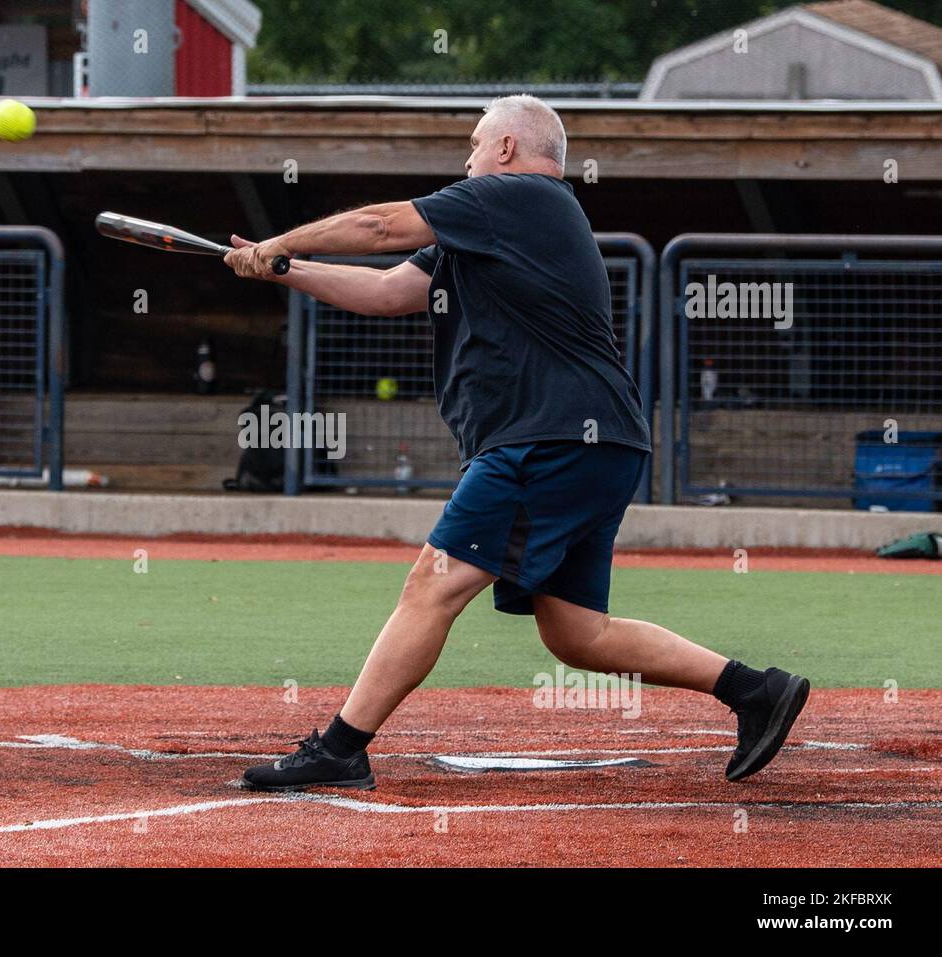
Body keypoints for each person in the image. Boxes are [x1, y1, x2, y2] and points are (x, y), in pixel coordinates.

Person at [223, 95, 809, 791]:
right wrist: (284, 270)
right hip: (596, 442)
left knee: (431, 587)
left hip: (547, 437)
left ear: (505, 149)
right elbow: (387, 289)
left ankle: (341, 747)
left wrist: (284, 240)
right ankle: (755, 690)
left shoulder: (518, 196)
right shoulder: (490, 227)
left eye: (473, 145)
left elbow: (378, 225)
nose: (465, 160)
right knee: (576, 632)